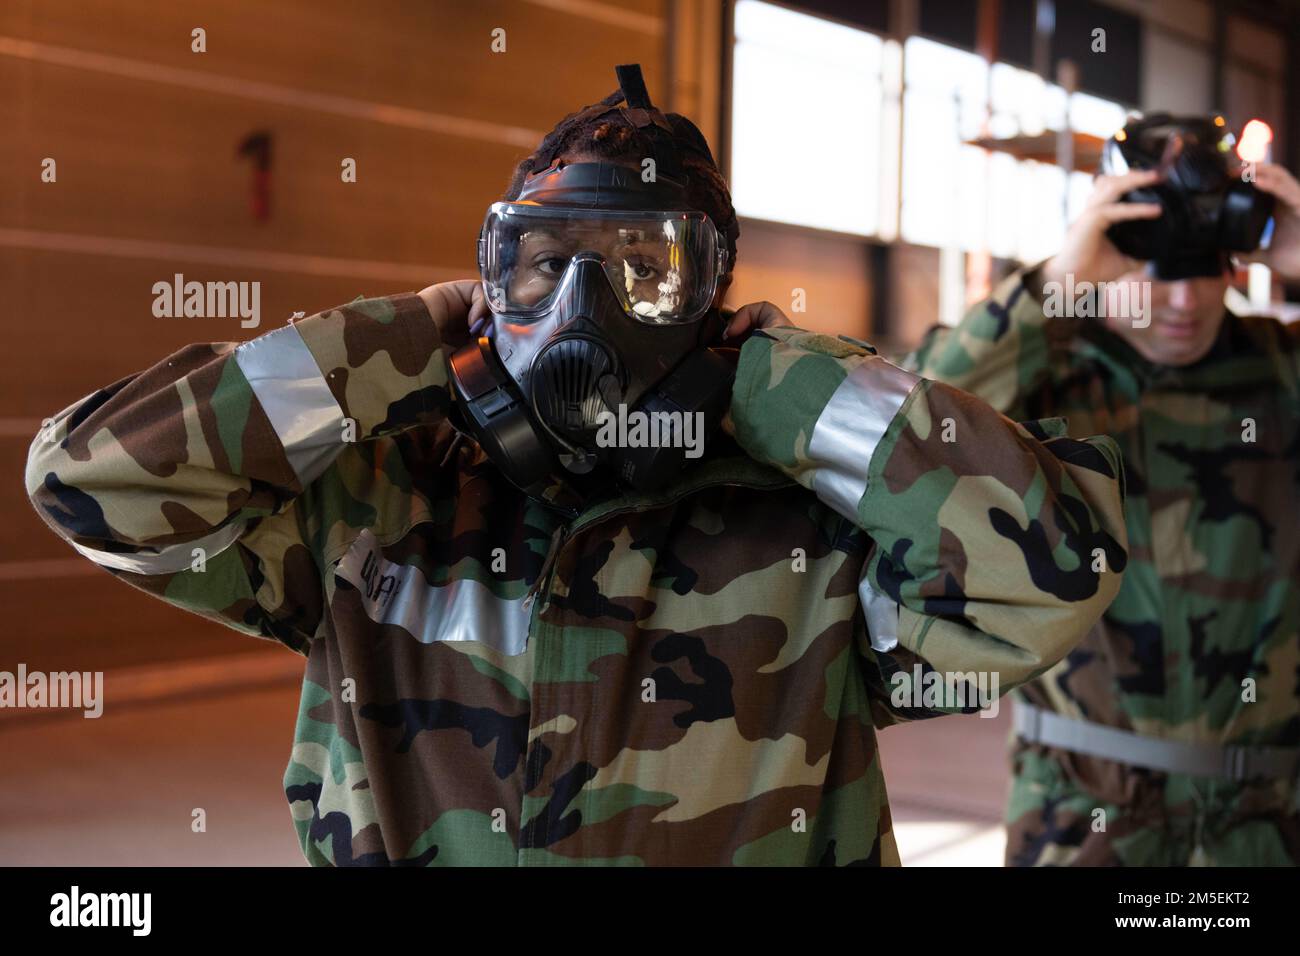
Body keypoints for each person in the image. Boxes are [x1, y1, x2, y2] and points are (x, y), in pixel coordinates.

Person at [26, 65, 1126, 866]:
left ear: (713, 303)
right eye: (542, 266)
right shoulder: (376, 498)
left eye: (644, 272)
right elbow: (89, 480)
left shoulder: (811, 527)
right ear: (485, 284)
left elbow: (1049, 574)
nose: (580, 311)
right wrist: (407, 338)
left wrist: (773, 384)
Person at [908, 114, 1300, 866]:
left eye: (1207, 269)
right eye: (1159, 270)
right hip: (1083, 825)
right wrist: (1056, 286)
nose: (1183, 303)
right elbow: (912, 429)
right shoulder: (1047, 375)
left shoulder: (1279, 374)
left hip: (1264, 829)